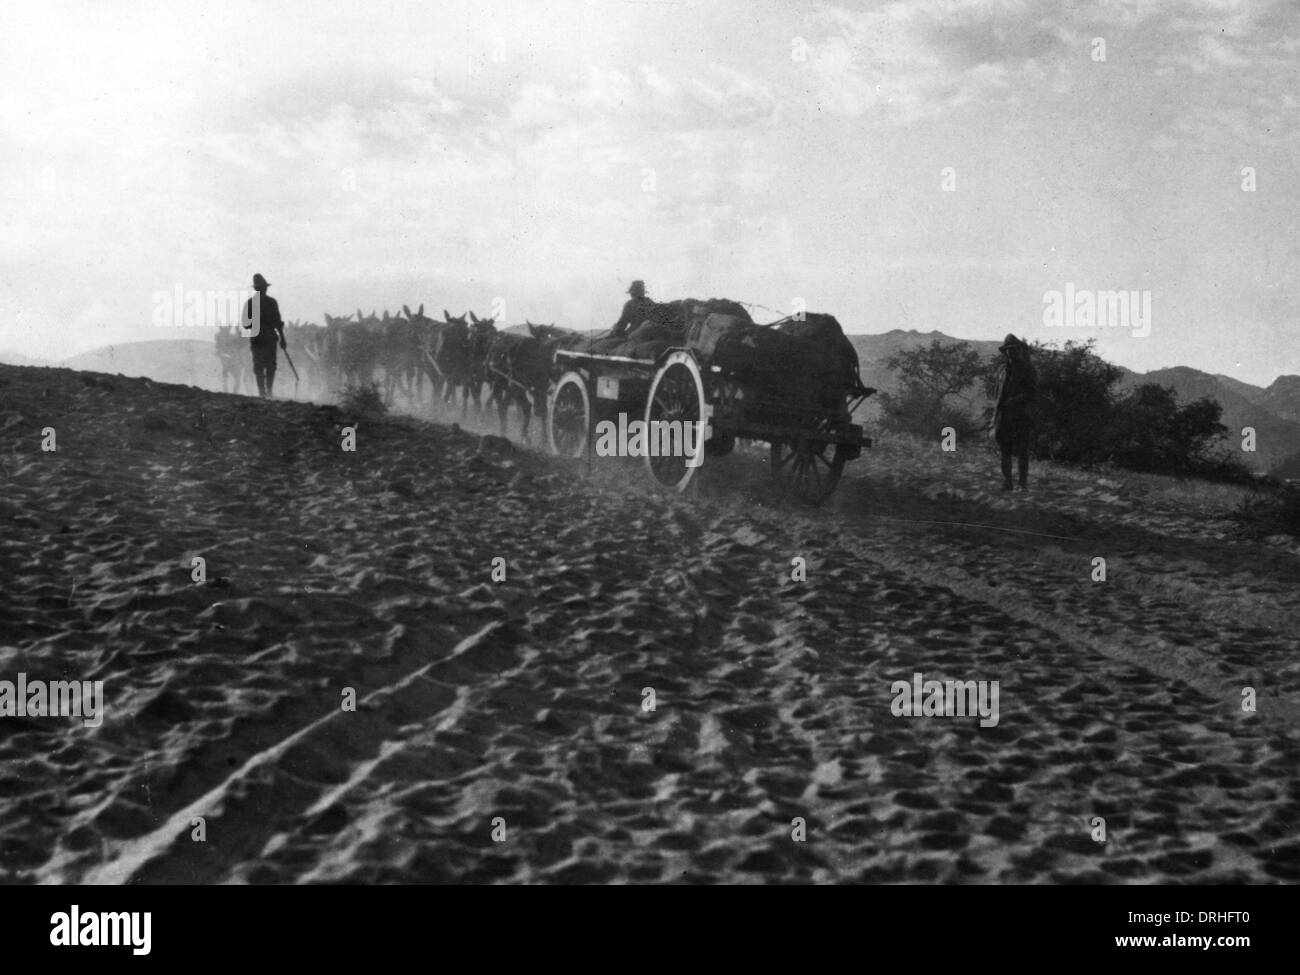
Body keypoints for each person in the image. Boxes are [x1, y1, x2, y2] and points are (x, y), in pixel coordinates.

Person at [992, 333, 1037, 491]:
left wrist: (1016, 400)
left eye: (1012, 349)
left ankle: (1022, 484)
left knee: (1022, 450)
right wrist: (994, 418)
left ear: (1018, 350)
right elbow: (999, 396)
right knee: (1005, 449)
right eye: (1007, 350)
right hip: (1005, 416)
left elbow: (1032, 392)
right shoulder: (1004, 370)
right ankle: (1007, 482)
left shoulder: (1027, 369)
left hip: (1021, 415)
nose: (1009, 352)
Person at [242, 273, 286, 397]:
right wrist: (282, 338)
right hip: (265, 339)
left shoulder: (251, 303)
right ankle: (266, 392)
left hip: (259, 339)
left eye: (264, 287)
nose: (264, 289)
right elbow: (278, 323)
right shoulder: (270, 302)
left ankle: (264, 392)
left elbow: (246, 325)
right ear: (258, 289)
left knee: (261, 366)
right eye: (262, 287)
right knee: (266, 366)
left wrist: (283, 338)